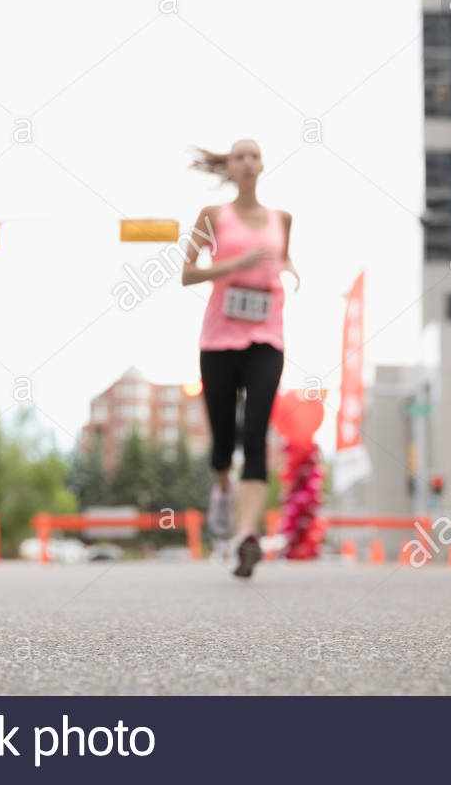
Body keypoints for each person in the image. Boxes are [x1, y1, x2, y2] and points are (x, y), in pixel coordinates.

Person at [181, 139, 300, 578]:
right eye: (239, 156)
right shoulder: (213, 217)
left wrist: (290, 269)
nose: (247, 162)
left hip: (267, 337)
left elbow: (282, 258)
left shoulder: (281, 219)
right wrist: (237, 264)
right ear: (229, 167)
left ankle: (245, 536)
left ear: (263, 165)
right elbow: (187, 272)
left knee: (256, 434)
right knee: (221, 442)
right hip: (218, 340)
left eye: (254, 155)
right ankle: (221, 486)